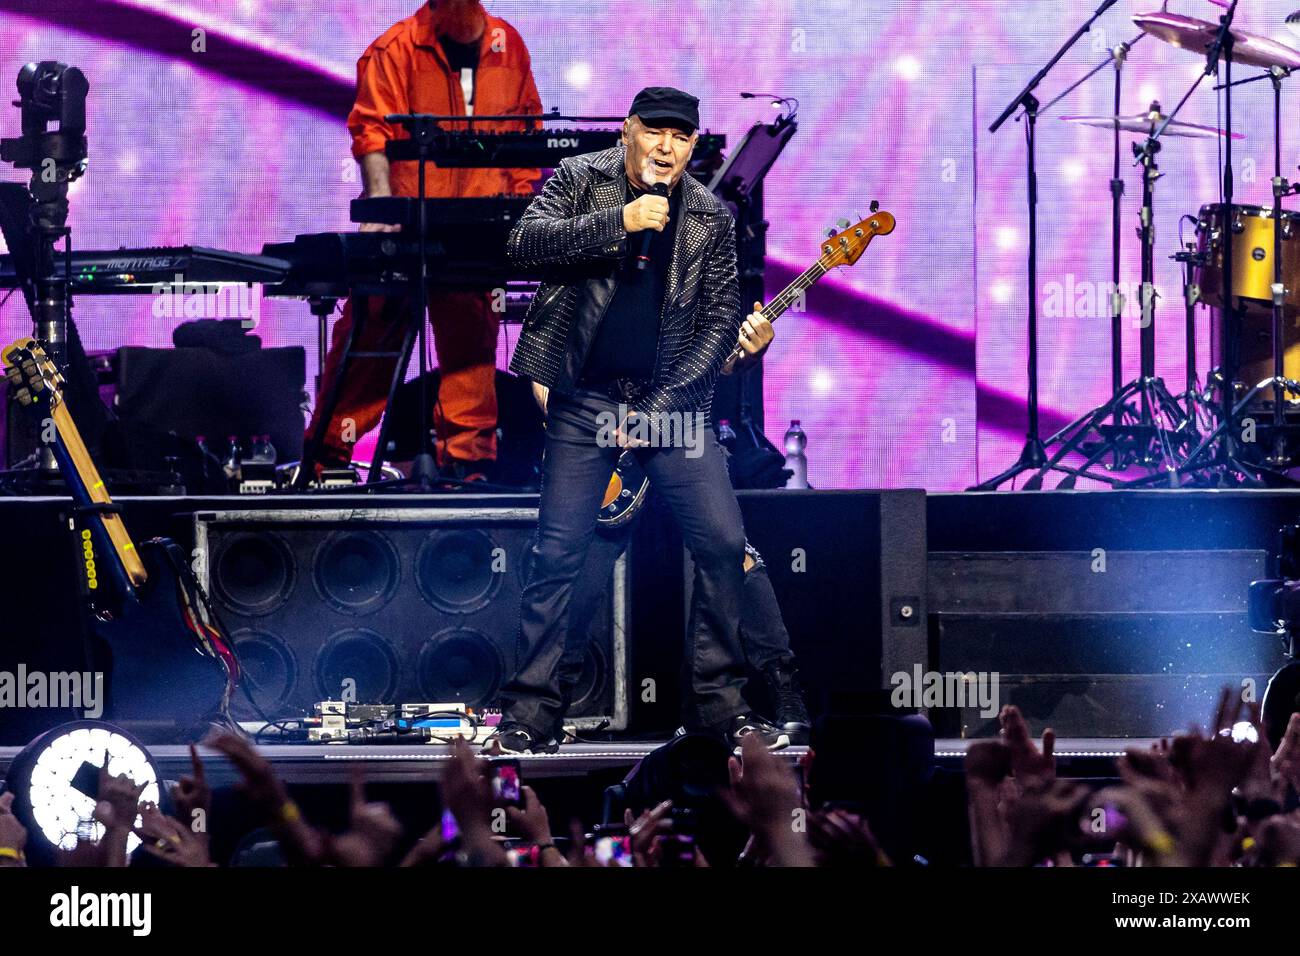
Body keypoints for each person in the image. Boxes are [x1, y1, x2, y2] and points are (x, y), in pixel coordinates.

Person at [490, 86, 787, 753]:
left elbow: (716, 324)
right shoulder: (579, 178)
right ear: (627, 131)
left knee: (719, 541)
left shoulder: (710, 215)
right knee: (557, 552)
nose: (666, 148)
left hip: (672, 404)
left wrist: (656, 411)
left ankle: (716, 702)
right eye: (655, 133)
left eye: (681, 139)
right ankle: (533, 712)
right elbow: (524, 247)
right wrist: (620, 222)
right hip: (584, 399)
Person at [545, 311, 813, 747]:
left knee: (733, 555)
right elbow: (544, 369)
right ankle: (547, 708)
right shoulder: (589, 256)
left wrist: (745, 355)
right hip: (610, 443)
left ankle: (784, 694)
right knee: (578, 571)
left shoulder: (691, 264)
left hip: (680, 434)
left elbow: (715, 363)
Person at [305, 0, 543, 481]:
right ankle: (327, 456)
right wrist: (382, 205)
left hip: (477, 230)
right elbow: (371, 131)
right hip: (409, 224)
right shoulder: (394, 49)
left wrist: (520, 212)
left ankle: (468, 467)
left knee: (472, 353)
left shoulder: (507, 44)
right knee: (370, 344)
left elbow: (526, 132)